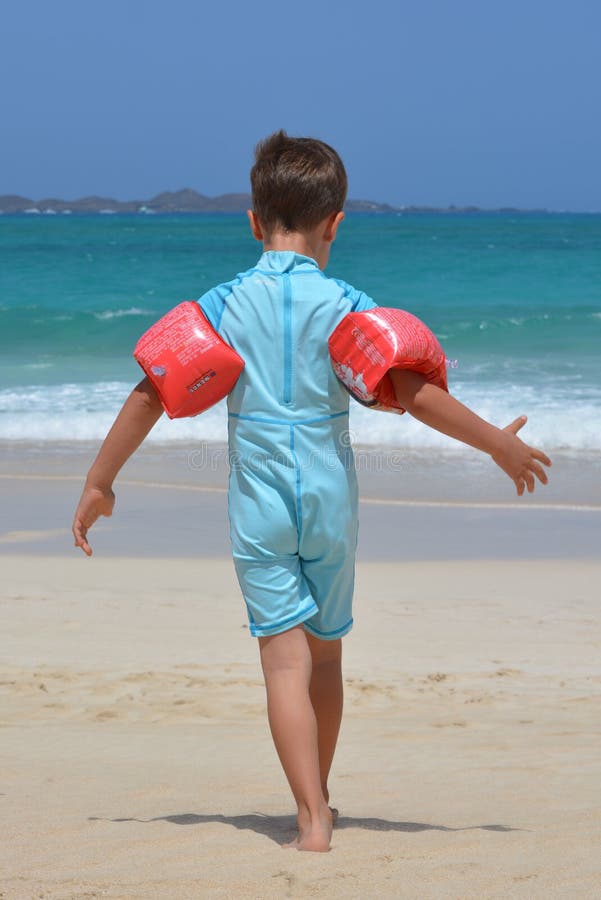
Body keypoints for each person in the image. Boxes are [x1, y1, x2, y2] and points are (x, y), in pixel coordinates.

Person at [72, 130, 551, 853]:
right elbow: (412, 393)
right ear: (336, 224)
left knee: (282, 662)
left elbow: (152, 393)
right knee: (324, 656)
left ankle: (309, 818)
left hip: (258, 505)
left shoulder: (225, 302)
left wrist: (100, 482)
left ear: (252, 220)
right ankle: (318, 795)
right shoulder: (349, 305)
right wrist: (499, 445)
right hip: (329, 503)